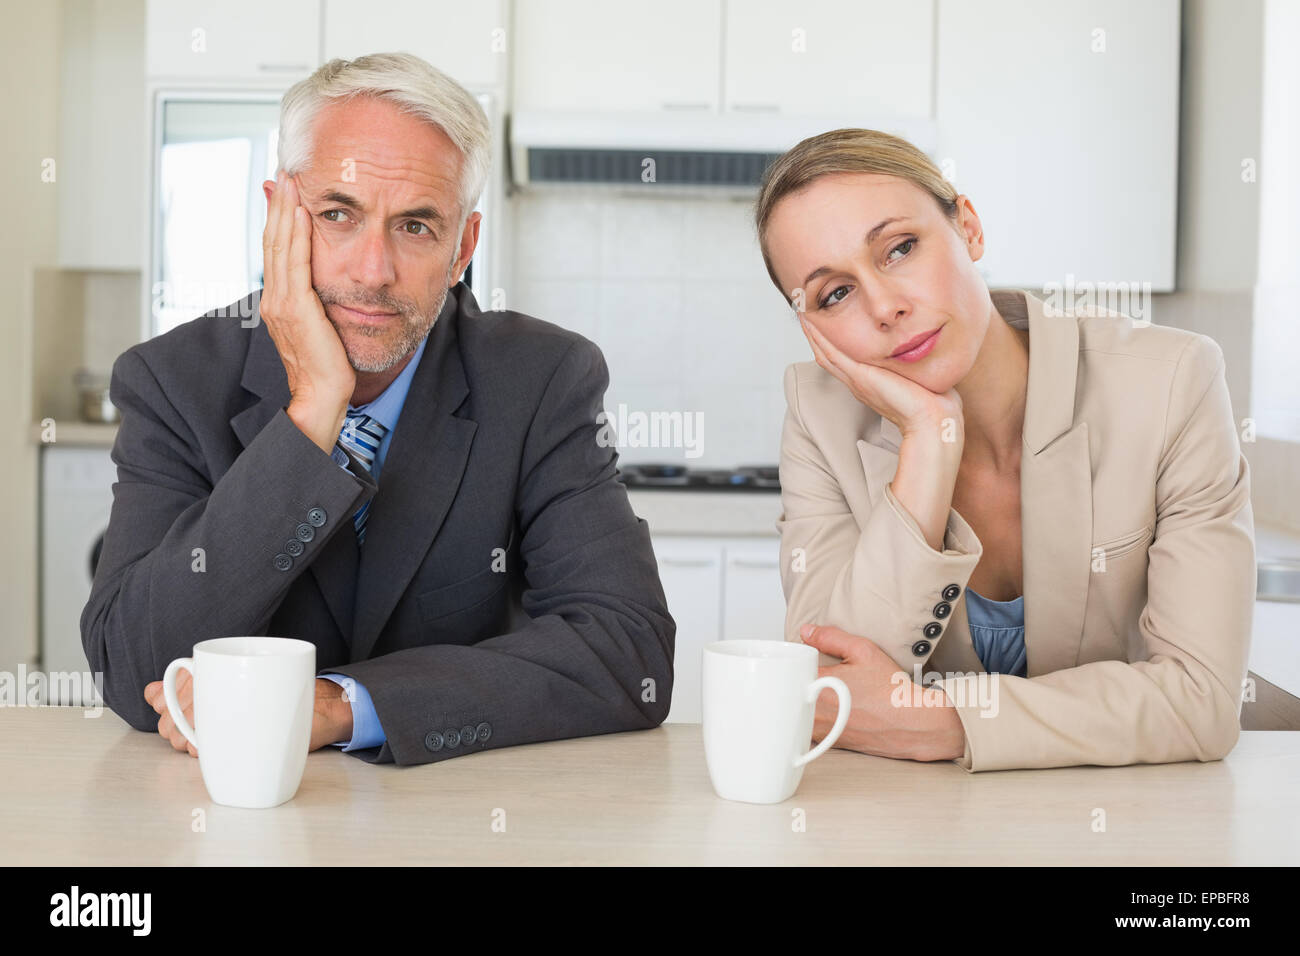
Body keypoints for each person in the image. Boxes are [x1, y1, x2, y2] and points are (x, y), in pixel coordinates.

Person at [81, 52, 674, 765]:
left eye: (416, 227)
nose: (372, 271)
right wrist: (311, 415)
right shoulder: (173, 380)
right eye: (338, 214)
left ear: (463, 249)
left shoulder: (541, 379)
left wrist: (340, 704)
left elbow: (627, 653)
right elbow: (134, 666)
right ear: (279, 216)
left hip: (462, 818)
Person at [753, 128, 1255, 772]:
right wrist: (929, 442)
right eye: (835, 294)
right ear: (812, 328)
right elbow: (834, 688)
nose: (884, 307)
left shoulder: (1170, 381)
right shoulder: (819, 414)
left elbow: (1201, 701)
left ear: (968, 228)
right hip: (916, 831)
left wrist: (952, 725)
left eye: (899, 249)